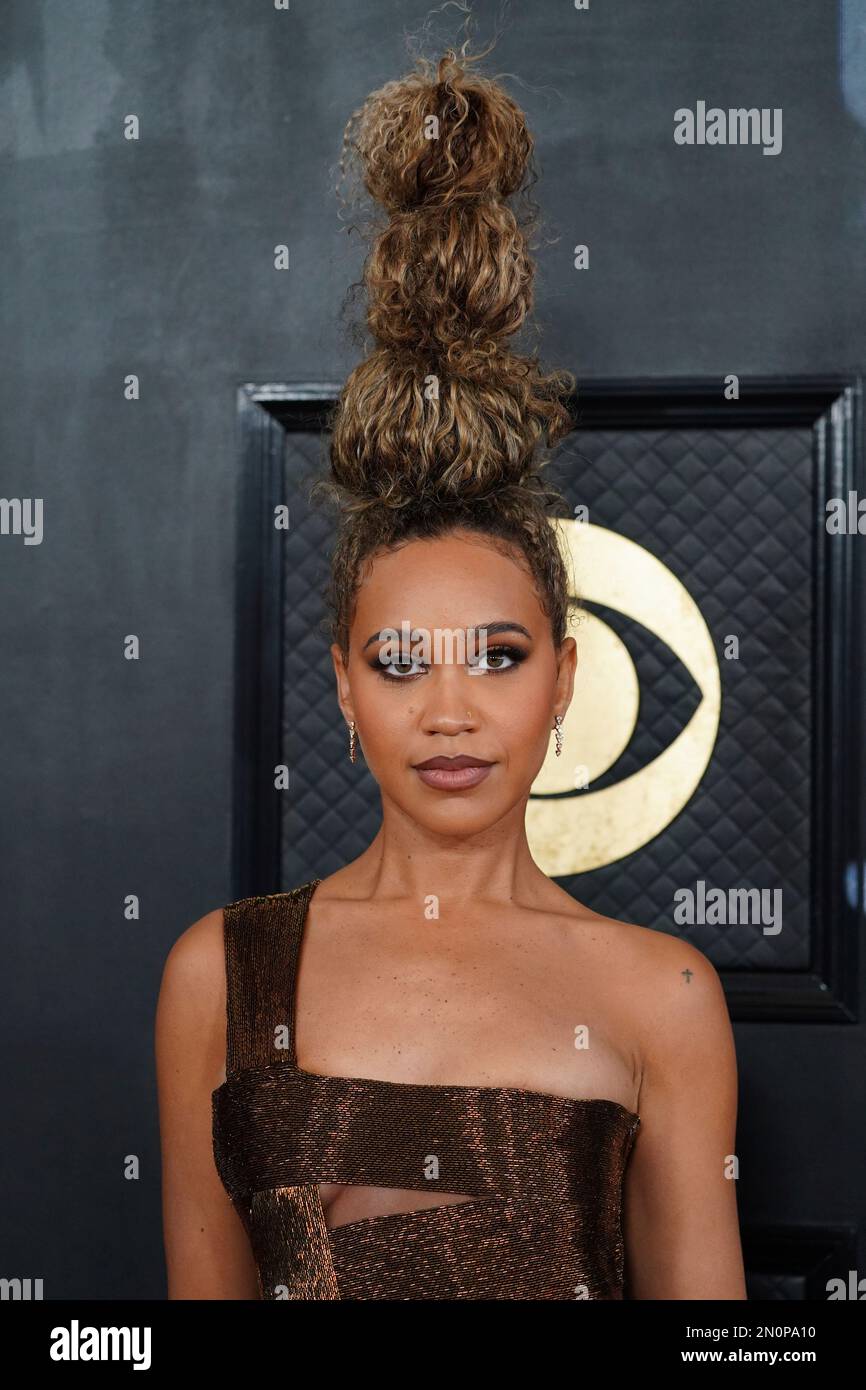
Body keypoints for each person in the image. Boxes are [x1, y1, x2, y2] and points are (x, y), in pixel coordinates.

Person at [156, 46, 746, 1300]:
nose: (447, 710)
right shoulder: (221, 972)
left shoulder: (662, 994)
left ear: (564, 678)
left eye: (496, 656)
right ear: (341, 686)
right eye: (398, 663)